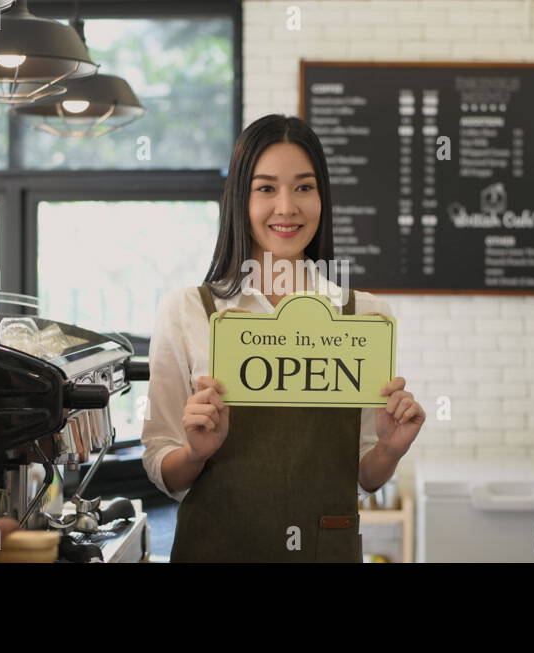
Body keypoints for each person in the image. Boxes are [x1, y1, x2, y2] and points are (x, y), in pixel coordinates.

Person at [141, 114, 425, 562]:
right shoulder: (187, 310)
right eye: (267, 188)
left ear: (322, 197)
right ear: (240, 198)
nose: (287, 207)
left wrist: (389, 449)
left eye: (304, 187)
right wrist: (195, 453)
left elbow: (365, 477)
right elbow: (163, 464)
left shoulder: (366, 316)